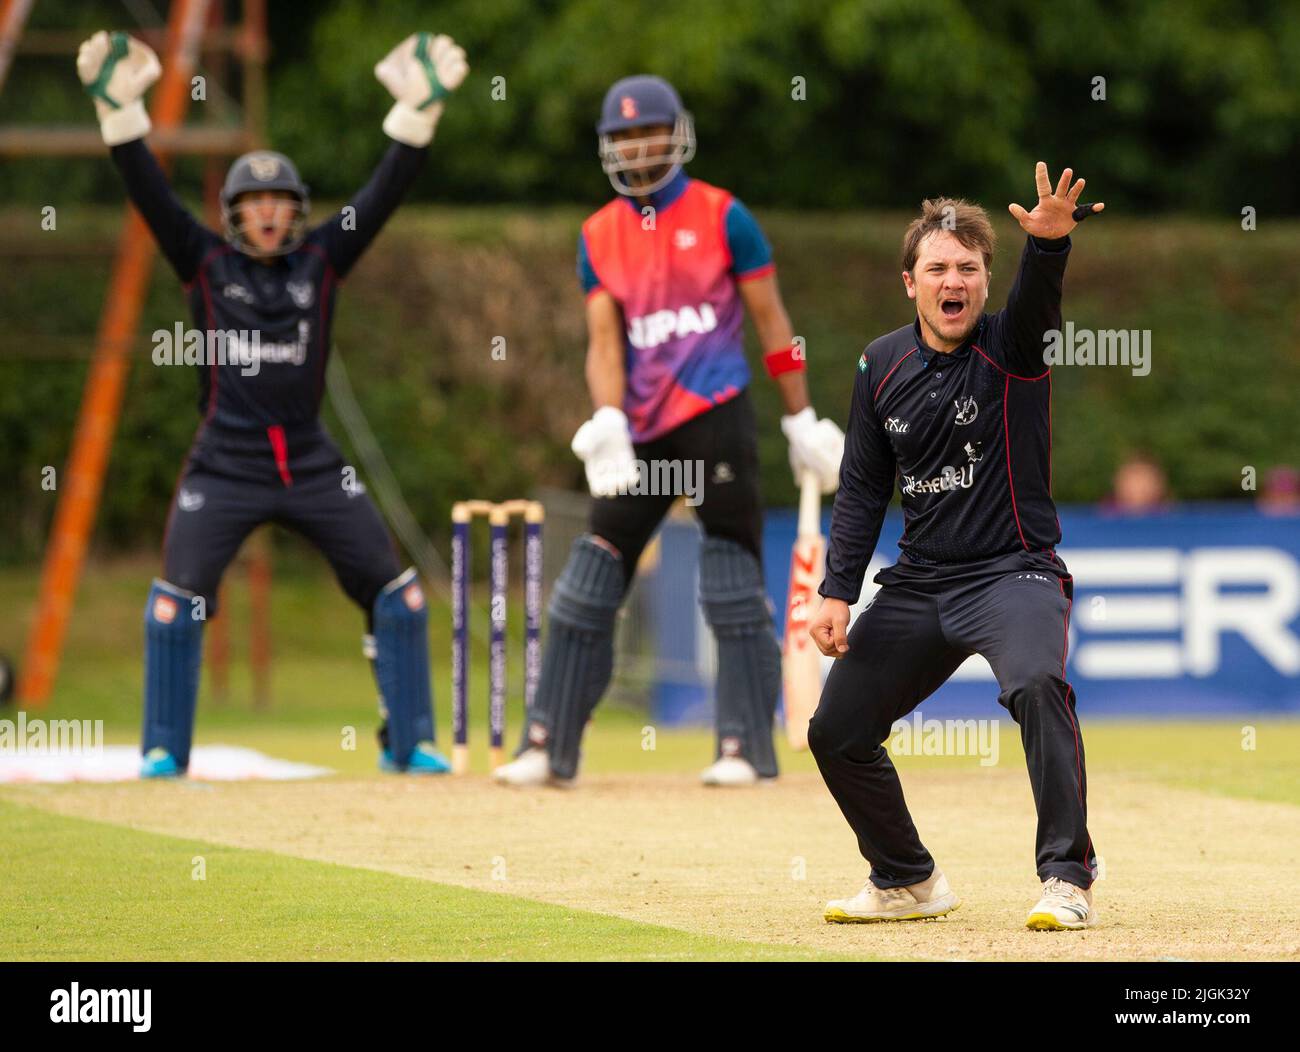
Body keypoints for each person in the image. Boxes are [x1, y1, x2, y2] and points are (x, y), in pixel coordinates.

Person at [75, 29, 468, 777]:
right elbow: (151, 195)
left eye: (279, 203)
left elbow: (380, 197)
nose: (267, 216)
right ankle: (164, 750)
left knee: (399, 596)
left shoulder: (323, 259)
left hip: (312, 463)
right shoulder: (203, 260)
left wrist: (418, 118)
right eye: (253, 203)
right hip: (223, 465)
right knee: (175, 604)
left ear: (296, 212)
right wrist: (120, 116)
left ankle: (408, 740)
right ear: (232, 212)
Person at [493, 75, 845, 788]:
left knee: (728, 579)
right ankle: (547, 742)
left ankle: (743, 746)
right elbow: (603, 341)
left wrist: (799, 414)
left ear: (674, 133)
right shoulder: (598, 234)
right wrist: (610, 418)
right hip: (645, 431)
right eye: (621, 136)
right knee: (590, 579)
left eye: (646, 131)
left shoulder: (723, 216)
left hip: (716, 416)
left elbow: (773, 322)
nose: (636, 145)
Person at [807, 166, 1103, 930]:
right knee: (834, 731)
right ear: (911, 282)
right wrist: (838, 589)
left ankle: (1067, 878)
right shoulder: (880, 365)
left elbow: (1039, 302)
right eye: (938, 267)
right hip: (921, 582)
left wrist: (1050, 247)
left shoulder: (1013, 346)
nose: (954, 280)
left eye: (968, 268)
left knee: (1037, 684)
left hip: (1015, 572)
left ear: (983, 280)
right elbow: (863, 489)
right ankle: (907, 878)